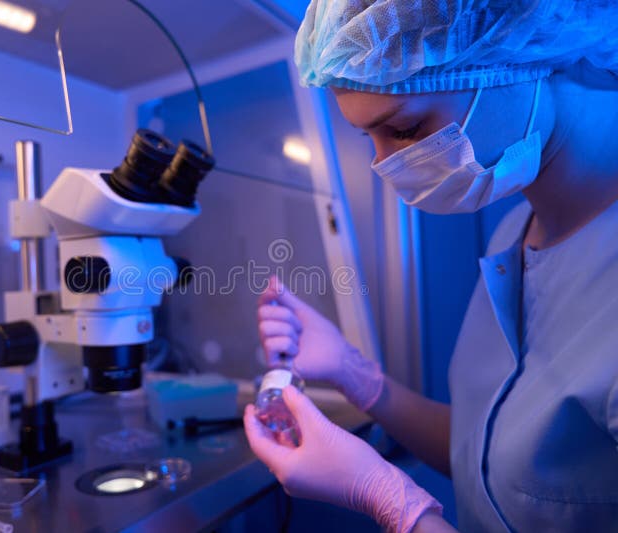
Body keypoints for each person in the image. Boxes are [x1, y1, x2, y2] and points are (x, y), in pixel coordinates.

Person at [243, 1, 618, 531]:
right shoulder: (518, 232)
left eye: (405, 128)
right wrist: (356, 375)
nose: (383, 166)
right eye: (368, 140)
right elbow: (492, 459)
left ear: (519, 53)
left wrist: (396, 504)